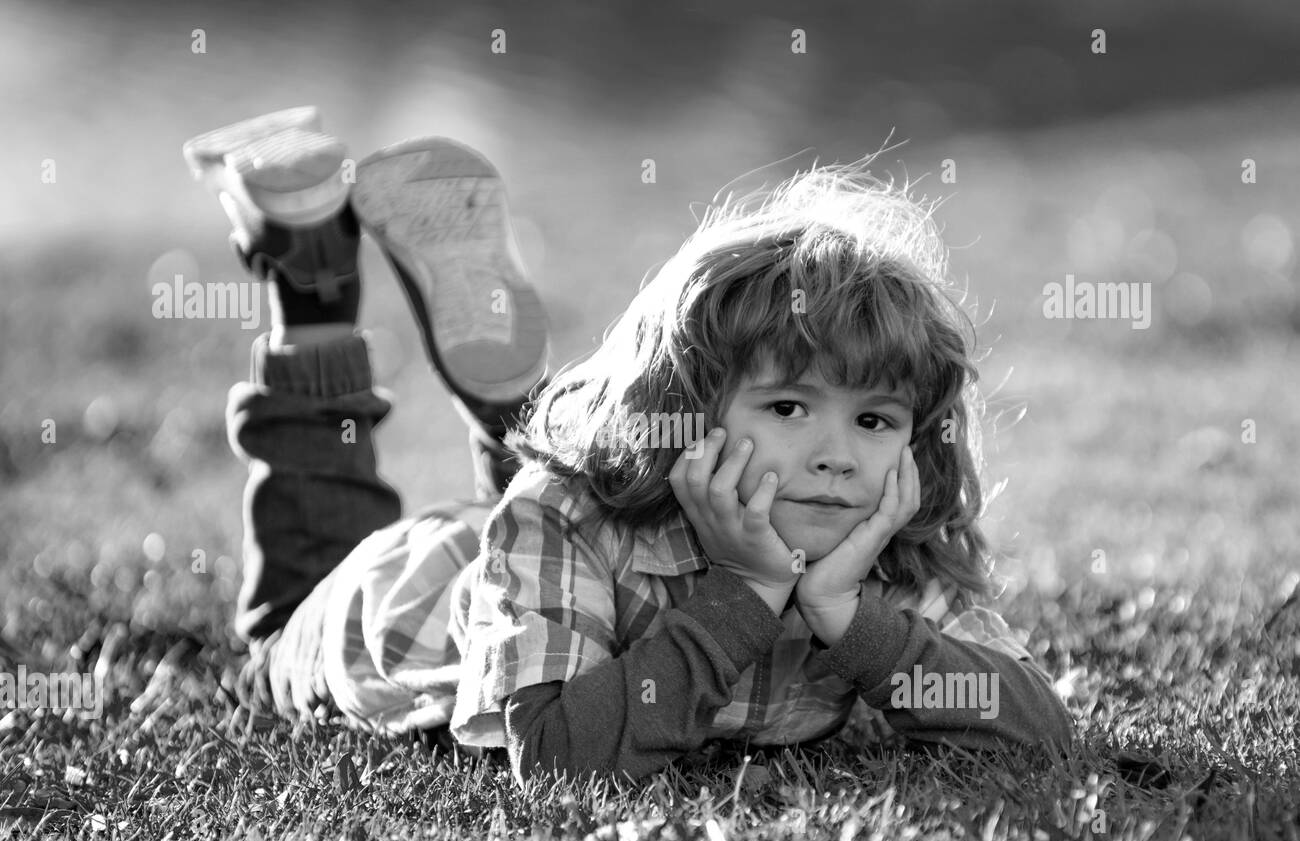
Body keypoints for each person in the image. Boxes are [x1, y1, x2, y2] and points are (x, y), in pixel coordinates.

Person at [189, 108, 1074, 785]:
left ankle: (520, 401)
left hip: (529, 568)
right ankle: (307, 275)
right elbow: (558, 758)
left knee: (563, 492)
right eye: (791, 406)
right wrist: (750, 594)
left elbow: (1044, 733)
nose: (838, 456)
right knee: (286, 623)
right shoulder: (564, 519)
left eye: (874, 420)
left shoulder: (875, 543)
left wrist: (852, 617)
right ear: (686, 408)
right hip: (386, 601)